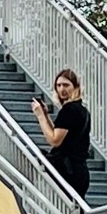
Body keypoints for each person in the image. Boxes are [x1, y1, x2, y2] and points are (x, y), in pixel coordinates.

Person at [31, 69, 92, 199]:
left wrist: (40, 116)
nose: (61, 89)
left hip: (68, 170)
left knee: (32, 153)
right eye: (58, 85)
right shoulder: (83, 110)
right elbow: (61, 136)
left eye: (66, 85)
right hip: (80, 171)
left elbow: (55, 140)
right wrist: (47, 116)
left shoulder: (68, 110)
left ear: (75, 87)